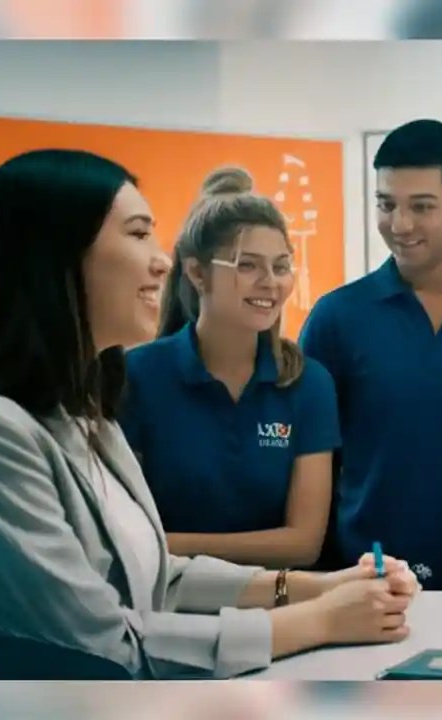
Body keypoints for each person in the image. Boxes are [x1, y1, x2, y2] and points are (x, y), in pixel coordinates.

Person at [0, 149, 418, 680]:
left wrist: (319, 587)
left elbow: (153, 578)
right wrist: (318, 622)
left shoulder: (80, 416)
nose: (161, 261)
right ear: (56, 255)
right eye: (137, 234)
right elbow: (105, 645)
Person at [299, 119, 442, 589]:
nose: (399, 225)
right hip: (361, 579)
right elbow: (311, 463)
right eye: (386, 205)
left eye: (421, 207)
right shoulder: (337, 319)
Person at [120, 167, 338, 570]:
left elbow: (303, 544)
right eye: (247, 265)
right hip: (166, 604)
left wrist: (165, 544)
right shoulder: (137, 375)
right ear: (198, 273)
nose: (270, 283)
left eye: (281, 266)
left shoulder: (308, 382)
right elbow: (122, 533)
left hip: (283, 606)